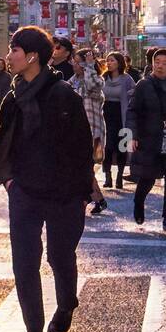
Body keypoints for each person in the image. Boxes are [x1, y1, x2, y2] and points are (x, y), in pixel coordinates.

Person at [0, 27, 93, 332]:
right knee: (24, 262)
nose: (8, 55)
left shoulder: (63, 95)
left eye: (14, 49)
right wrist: (10, 181)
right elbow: (6, 143)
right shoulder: (13, 98)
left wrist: (82, 190)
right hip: (25, 192)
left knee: (60, 256)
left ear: (31, 56)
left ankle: (65, 305)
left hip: (64, 193)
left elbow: (82, 146)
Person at [126, 46, 166, 232]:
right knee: (147, 178)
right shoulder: (144, 85)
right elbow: (132, 111)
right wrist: (133, 135)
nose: (160, 66)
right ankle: (139, 203)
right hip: (149, 139)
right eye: (156, 62)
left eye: (164, 63)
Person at [69, 45, 107, 214]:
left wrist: (90, 66)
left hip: (94, 130)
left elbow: (93, 86)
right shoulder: (73, 81)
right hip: (77, 129)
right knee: (83, 166)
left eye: (77, 62)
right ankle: (95, 198)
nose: (73, 65)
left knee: (85, 165)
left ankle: (90, 198)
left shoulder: (96, 80)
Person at [100, 51, 135, 187]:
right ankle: (107, 176)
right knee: (107, 147)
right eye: (108, 61)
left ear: (120, 63)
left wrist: (130, 94)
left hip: (122, 115)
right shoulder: (103, 78)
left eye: (112, 60)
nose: (109, 63)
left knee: (122, 146)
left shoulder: (126, 79)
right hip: (106, 114)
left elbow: (134, 91)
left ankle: (119, 176)